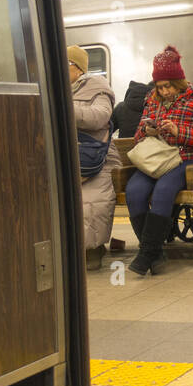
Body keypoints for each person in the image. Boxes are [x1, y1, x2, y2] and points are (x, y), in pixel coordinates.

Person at [126, 45, 193, 276]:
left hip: (189, 160)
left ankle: (147, 252)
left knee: (163, 190)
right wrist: (147, 132)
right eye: (160, 86)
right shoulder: (152, 101)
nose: (164, 91)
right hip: (157, 159)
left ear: (179, 82)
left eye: (168, 86)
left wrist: (181, 132)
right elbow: (138, 136)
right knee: (134, 191)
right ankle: (156, 253)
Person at [69, 45, 120, 270]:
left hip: (95, 156)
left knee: (91, 202)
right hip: (69, 156)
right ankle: (72, 248)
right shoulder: (58, 88)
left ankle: (92, 250)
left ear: (78, 69)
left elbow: (100, 117)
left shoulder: (97, 88)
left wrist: (67, 110)